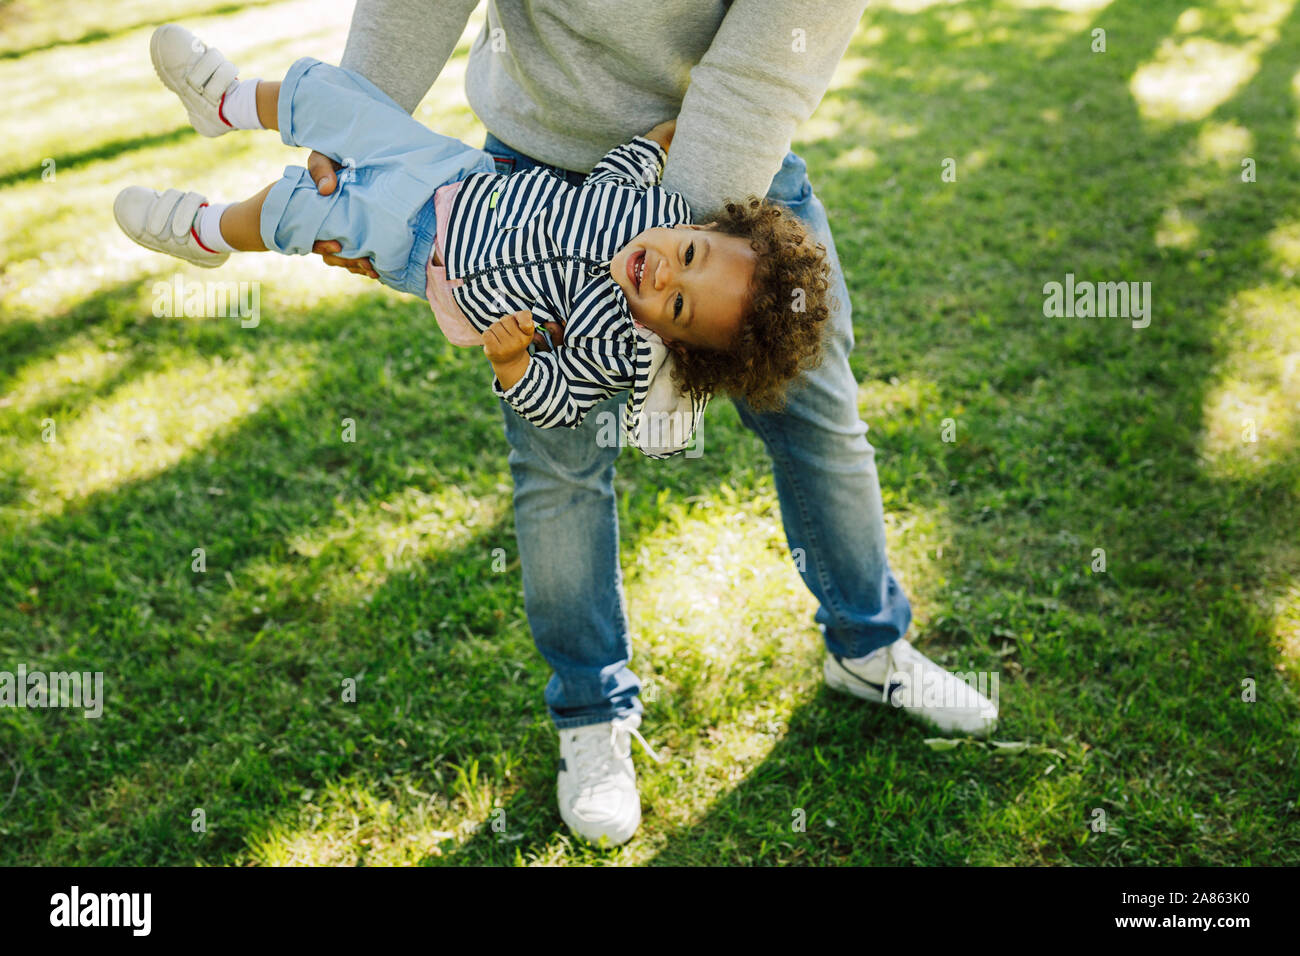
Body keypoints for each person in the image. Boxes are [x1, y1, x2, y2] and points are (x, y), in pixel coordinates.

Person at [277, 0, 1002, 847]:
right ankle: (590, 710)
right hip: (529, 180)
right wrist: (357, 122)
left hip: (729, 170)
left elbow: (773, 49)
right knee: (560, 466)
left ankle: (868, 646)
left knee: (816, 417)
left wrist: (669, 267)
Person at [113, 27, 831, 457]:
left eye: (678, 307)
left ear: (678, 346)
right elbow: (621, 170)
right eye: (692, 257)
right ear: (704, 227)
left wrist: (516, 361)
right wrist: (657, 138)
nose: (663, 274)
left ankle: (205, 229)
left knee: (301, 209)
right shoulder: (659, 207)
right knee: (342, 102)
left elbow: (559, 401)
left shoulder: (622, 348)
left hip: (429, 253)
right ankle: (228, 101)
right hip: (458, 174)